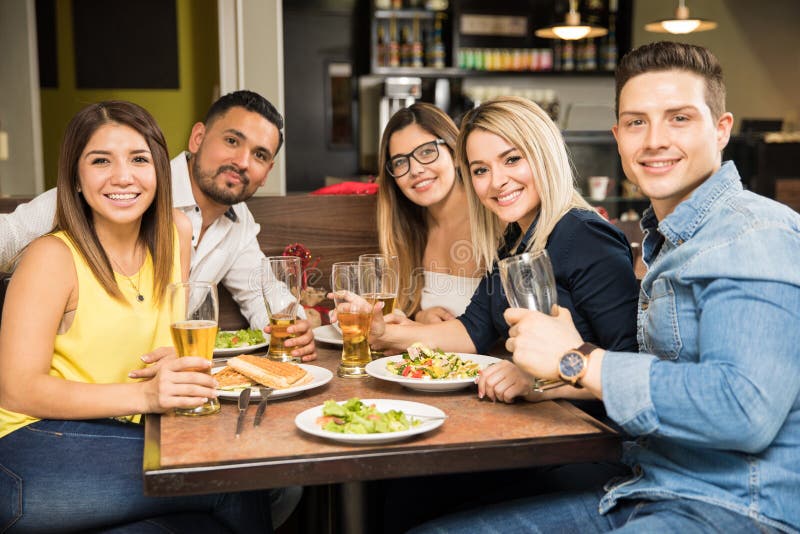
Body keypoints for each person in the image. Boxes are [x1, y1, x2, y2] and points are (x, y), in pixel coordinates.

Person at [412, 42, 800, 533]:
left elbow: (744, 411)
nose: (654, 140)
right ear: (618, 138)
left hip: (735, 511)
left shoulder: (753, 231)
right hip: (645, 488)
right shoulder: (669, 245)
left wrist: (575, 362)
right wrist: (549, 380)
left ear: (721, 130)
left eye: (678, 117)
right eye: (637, 122)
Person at [0, 101, 273, 532]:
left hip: (120, 437)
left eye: (139, 159)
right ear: (75, 176)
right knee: (232, 479)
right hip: (27, 451)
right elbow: (17, 391)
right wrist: (145, 397)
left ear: (160, 171)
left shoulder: (175, 237)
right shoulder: (51, 257)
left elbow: (159, 346)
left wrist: (170, 365)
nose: (123, 177)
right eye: (101, 161)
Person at [0, 90, 316, 362]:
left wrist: (294, 325)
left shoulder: (238, 221)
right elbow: (8, 236)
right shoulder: (116, 191)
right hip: (77, 390)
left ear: (267, 172)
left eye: (259, 155)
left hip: (158, 382)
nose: (243, 161)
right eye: (232, 140)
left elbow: (261, 293)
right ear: (198, 138)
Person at [365, 96, 638, 404]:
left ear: (543, 154)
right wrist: (383, 333)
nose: (497, 182)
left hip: (588, 435)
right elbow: (471, 329)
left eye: (512, 160)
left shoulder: (586, 235)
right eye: (481, 170)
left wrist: (539, 383)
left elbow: (630, 368)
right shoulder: (514, 239)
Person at [377, 102, 482, 323]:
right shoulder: (408, 233)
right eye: (399, 162)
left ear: (455, 153)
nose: (415, 170)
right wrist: (420, 318)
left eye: (427, 151)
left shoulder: (495, 218)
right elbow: (403, 310)